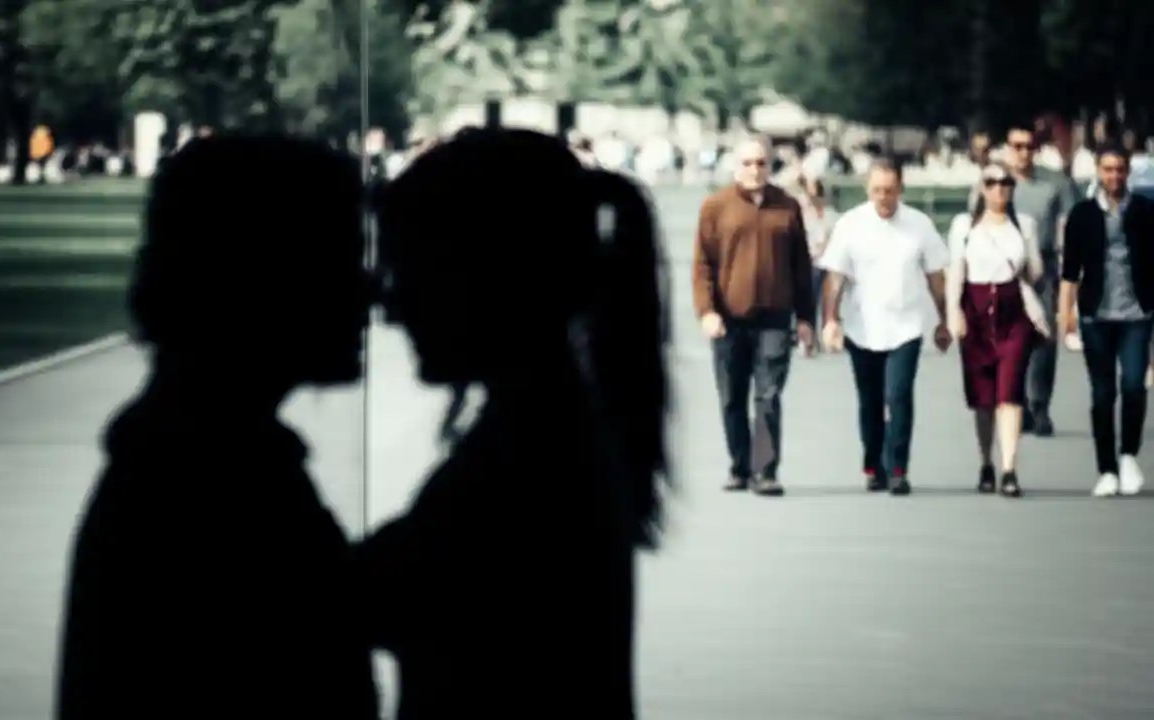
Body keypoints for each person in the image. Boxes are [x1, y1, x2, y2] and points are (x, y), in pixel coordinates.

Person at [55, 136, 378, 718]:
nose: (369, 289)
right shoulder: (219, 488)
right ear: (258, 276)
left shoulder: (183, 462)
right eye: (343, 257)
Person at [359, 127, 669, 718]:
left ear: (488, 277)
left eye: (413, 270)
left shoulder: (523, 463)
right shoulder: (550, 432)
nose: (393, 304)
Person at [819, 159, 952, 495]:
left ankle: (897, 468)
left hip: (906, 326)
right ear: (868, 189)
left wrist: (944, 321)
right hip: (862, 328)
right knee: (870, 401)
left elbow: (936, 276)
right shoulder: (851, 224)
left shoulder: (919, 226)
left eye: (889, 191)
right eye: (877, 190)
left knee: (899, 395)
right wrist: (830, 319)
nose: (883, 197)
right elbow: (835, 277)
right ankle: (873, 462)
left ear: (900, 190)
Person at [692, 136, 815, 496]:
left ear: (770, 166)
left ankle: (765, 471)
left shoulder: (787, 207)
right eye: (747, 163)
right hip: (729, 319)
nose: (754, 170)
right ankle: (740, 465)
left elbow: (801, 267)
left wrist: (806, 318)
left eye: (761, 163)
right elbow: (702, 266)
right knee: (732, 396)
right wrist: (707, 311)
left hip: (775, 319)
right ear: (735, 166)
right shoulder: (716, 207)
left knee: (769, 394)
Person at [968, 120, 1082, 436]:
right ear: (1007, 148)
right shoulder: (992, 180)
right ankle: (1015, 403)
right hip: (999, 271)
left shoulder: (1054, 184)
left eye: (1029, 147)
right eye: (1016, 146)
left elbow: (1070, 226)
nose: (1023, 153)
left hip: (1041, 267)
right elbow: (974, 224)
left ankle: (1040, 404)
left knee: (1042, 338)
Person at [947, 163, 1050, 497]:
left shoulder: (1025, 226)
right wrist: (953, 316)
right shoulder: (965, 226)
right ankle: (985, 462)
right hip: (975, 310)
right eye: (991, 182)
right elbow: (955, 274)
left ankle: (1009, 468)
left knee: (1010, 392)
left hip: (1011, 311)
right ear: (981, 188)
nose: (999, 189)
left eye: (1005, 182)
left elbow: (1034, 270)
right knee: (983, 398)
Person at [1059, 143, 1154, 498]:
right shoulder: (1082, 214)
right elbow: (1070, 272)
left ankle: (1128, 454)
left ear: (1128, 172)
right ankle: (1107, 469)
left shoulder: (1145, 211)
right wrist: (1065, 316)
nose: (1114, 176)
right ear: (1098, 171)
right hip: (1095, 315)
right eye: (1108, 169)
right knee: (1102, 394)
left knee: (1133, 385)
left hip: (1136, 313)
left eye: (1120, 169)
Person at [798, 175, 840, 349]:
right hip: (811, 262)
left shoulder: (832, 216)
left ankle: (829, 334)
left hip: (829, 263)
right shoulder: (803, 216)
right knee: (811, 300)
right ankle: (809, 337)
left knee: (831, 300)